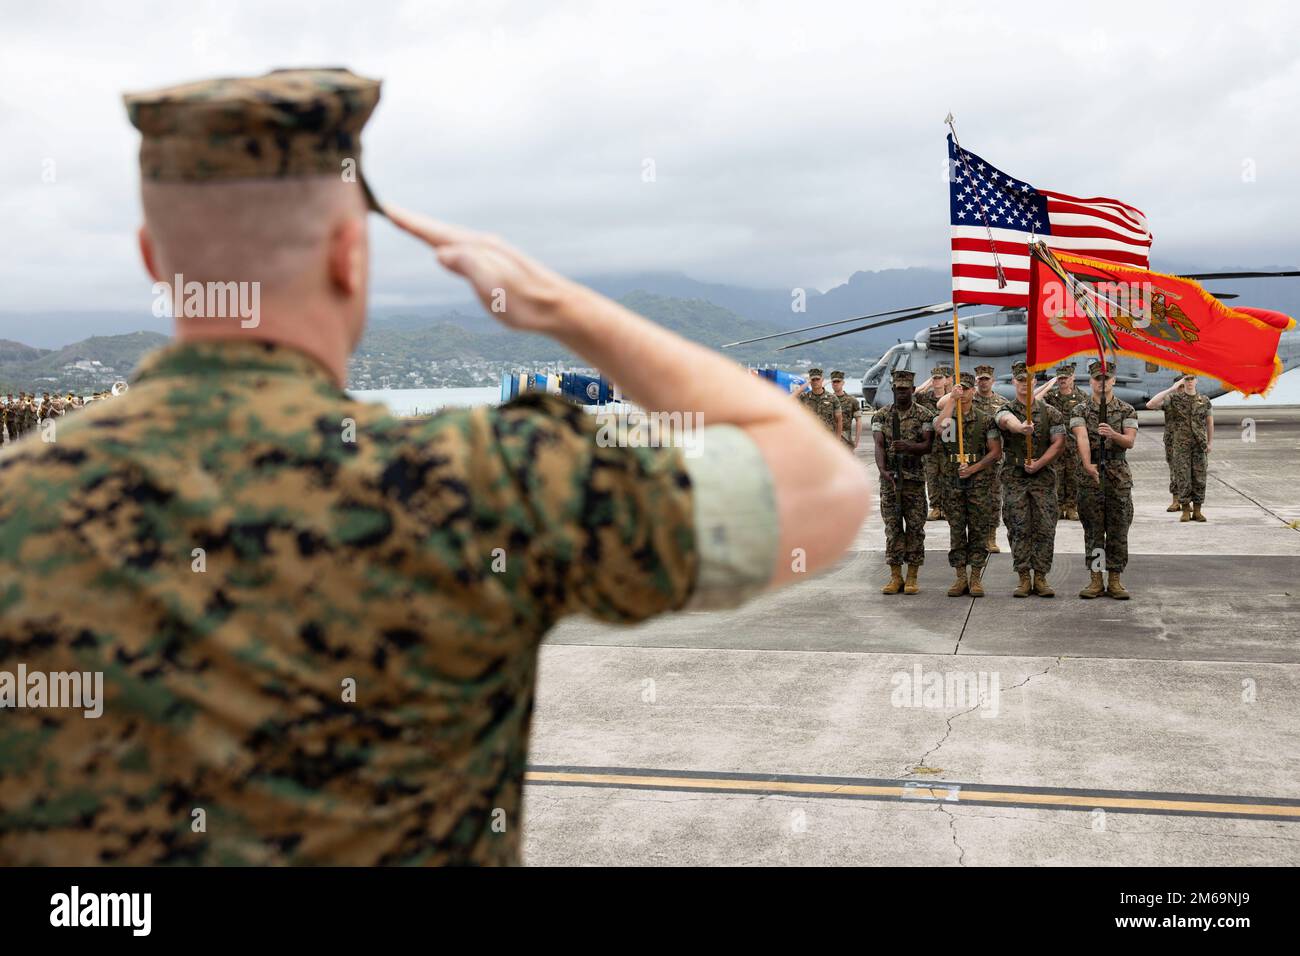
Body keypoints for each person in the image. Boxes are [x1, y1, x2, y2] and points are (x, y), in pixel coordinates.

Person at [0, 68, 869, 867]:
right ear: (350, 254)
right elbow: (821, 487)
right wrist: (564, 307)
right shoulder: (483, 480)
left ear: (155, 261)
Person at [995, 362, 1066, 597]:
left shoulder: (1050, 412)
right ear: (1014, 382)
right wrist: (1020, 428)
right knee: (1018, 527)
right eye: (1019, 380)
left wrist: (1039, 463)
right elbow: (1004, 420)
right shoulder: (1006, 409)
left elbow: (1058, 443)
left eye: (1029, 380)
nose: (1024, 384)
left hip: (1043, 478)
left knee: (1045, 527)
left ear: (1034, 382)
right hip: (1015, 478)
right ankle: (1024, 577)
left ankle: (1042, 577)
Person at [1071, 360, 1139, 600]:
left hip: (1118, 476)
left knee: (1119, 528)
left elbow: (1129, 441)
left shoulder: (1126, 410)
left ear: (1113, 381)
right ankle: (1096, 578)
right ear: (1091, 381)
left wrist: (1113, 434)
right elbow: (1081, 438)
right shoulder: (1080, 409)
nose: (1101, 383)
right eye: (1097, 379)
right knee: (1094, 530)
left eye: (1106, 378)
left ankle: (1116, 579)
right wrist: (1088, 465)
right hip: (1091, 477)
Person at [932, 372, 1002, 597]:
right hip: (952, 481)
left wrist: (972, 468)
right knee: (956, 529)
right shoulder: (950, 417)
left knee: (979, 530)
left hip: (978, 482)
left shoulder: (985, 419)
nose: (964, 392)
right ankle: (960, 576)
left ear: (973, 391)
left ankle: (976, 577)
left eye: (967, 389)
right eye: (959, 388)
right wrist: (951, 399)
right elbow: (939, 429)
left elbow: (995, 452)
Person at [871, 369, 934, 594]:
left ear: (913, 390)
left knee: (915, 529)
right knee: (893, 528)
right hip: (891, 482)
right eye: (898, 389)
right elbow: (878, 445)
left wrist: (909, 447)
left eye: (906, 389)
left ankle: (912, 576)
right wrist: (883, 470)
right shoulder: (881, 416)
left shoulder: (924, 416)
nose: (902, 393)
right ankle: (895, 576)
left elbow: (928, 445)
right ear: (893, 390)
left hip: (914, 481)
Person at [1148, 375, 1213, 521]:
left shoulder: (1204, 400)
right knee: (1182, 476)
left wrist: (1210, 443)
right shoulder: (1174, 399)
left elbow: (1209, 423)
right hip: (1179, 444)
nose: (1188, 383)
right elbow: (1150, 404)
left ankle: (1197, 510)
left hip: (1199, 445)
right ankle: (1183, 507)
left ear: (1196, 380)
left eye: (1191, 379)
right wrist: (1172, 389)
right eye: (1186, 380)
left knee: (1200, 478)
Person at [1036, 362, 1080, 520]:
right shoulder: (1051, 396)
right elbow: (1034, 400)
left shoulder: (1081, 397)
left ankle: (1072, 507)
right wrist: (1048, 386)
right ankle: (1059, 506)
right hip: (1055, 445)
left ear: (1072, 377)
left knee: (1074, 476)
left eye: (1066, 378)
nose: (1063, 381)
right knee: (1057, 476)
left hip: (1074, 445)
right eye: (1060, 378)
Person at [972, 364, 1008, 554]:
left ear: (992, 381)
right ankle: (977, 537)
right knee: (975, 499)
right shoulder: (969, 401)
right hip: (974, 458)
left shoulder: (1001, 402)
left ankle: (991, 537)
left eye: (986, 379)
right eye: (980, 379)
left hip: (994, 459)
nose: (983, 382)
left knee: (994, 499)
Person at [914, 364, 952, 521]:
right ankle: (936, 507)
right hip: (930, 445)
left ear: (945, 380)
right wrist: (929, 382)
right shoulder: (926, 398)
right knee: (932, 476)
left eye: (939, 378)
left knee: (948, 475)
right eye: (934, 378)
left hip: (948, 443)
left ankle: (948, 507)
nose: (936, 381)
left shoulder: (950, 397)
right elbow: (914, 393)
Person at [798, 367, 843, 437]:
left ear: (822, 380)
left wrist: (837, 441)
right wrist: (802, 388)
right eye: (813, 380)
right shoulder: (803, 397)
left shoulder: (832, 398)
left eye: (817, 379)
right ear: (809, 381)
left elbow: (839, 421)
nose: (815, 382)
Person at [829, 370, 860, 451]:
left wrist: (856, 440)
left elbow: (858, 421)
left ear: (843, 383)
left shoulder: (852, 401)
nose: (835, 384)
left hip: (846, 440)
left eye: (838, 381)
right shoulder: (828, 400)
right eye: (833, 382)